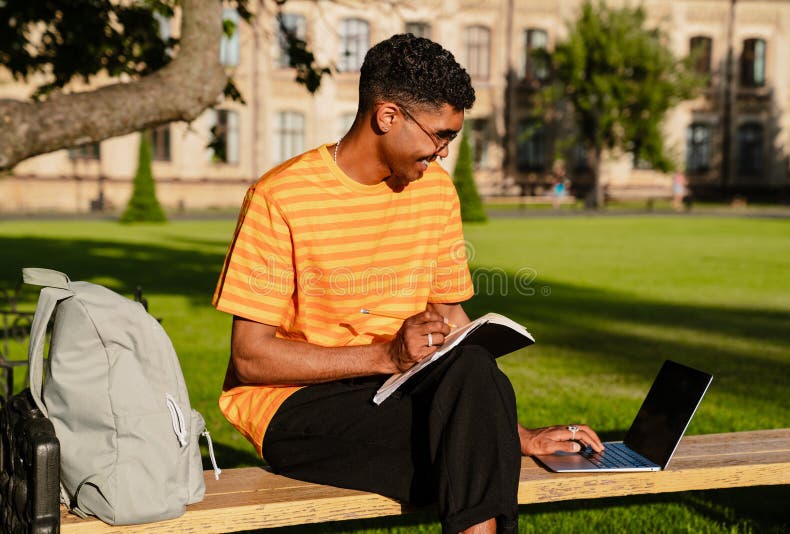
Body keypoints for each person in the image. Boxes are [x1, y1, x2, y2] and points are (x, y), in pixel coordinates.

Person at [212, 34, 603, 534]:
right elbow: (249, 358)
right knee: (465, 457)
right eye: (439, 135)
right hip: (293, 404)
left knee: (475, 366)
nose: (443, 153)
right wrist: (383, 358)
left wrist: (520, 434)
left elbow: (453, 324)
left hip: (392, 387)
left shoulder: (436, 191)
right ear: (388, 116)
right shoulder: (280, 197)